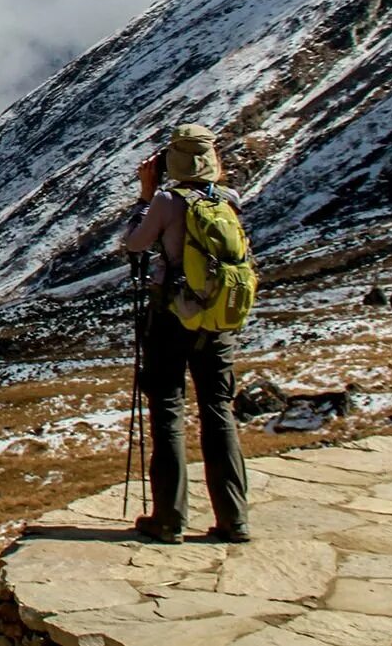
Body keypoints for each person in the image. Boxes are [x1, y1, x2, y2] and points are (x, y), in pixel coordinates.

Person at [122, 123, 249, 545]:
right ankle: (234, 519)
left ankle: (170, 518)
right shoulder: (228, 199)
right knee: (218, 410)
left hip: (173, 317)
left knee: (169, 411)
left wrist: (144, 197)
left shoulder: (165, 200)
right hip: (218, 321)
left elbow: (135, 245)